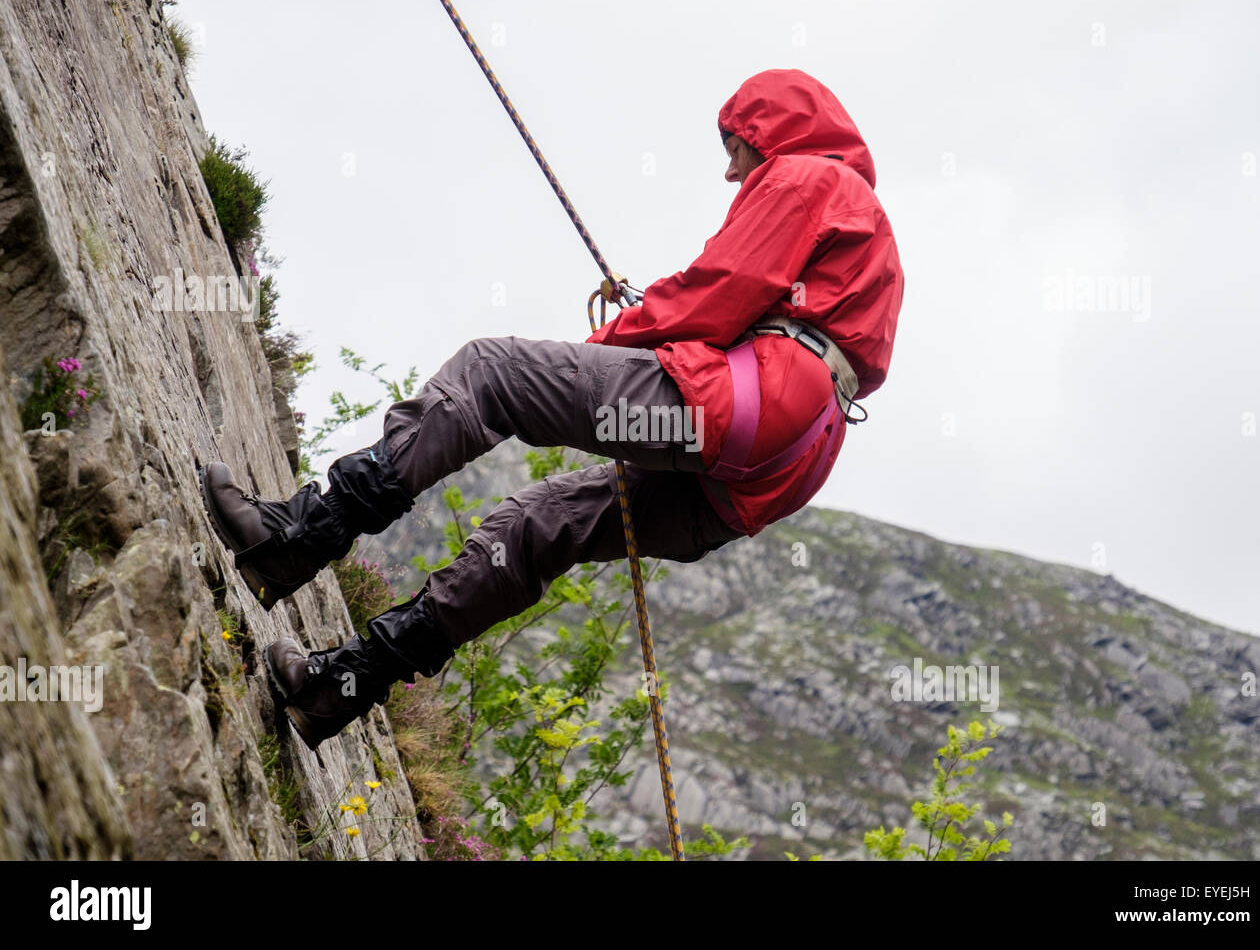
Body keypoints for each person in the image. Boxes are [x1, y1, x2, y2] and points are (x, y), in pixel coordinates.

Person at [201, 68, 904, 751]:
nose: (731, 172)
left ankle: (299, 534)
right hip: (778, 465)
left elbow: (719, 292)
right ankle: (338, 689)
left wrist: (604, 350)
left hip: (744, 408)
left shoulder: (811, 177)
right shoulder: (873, 238)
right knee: (535, 528)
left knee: (494, 374)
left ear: (769, 130)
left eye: (735, 149)